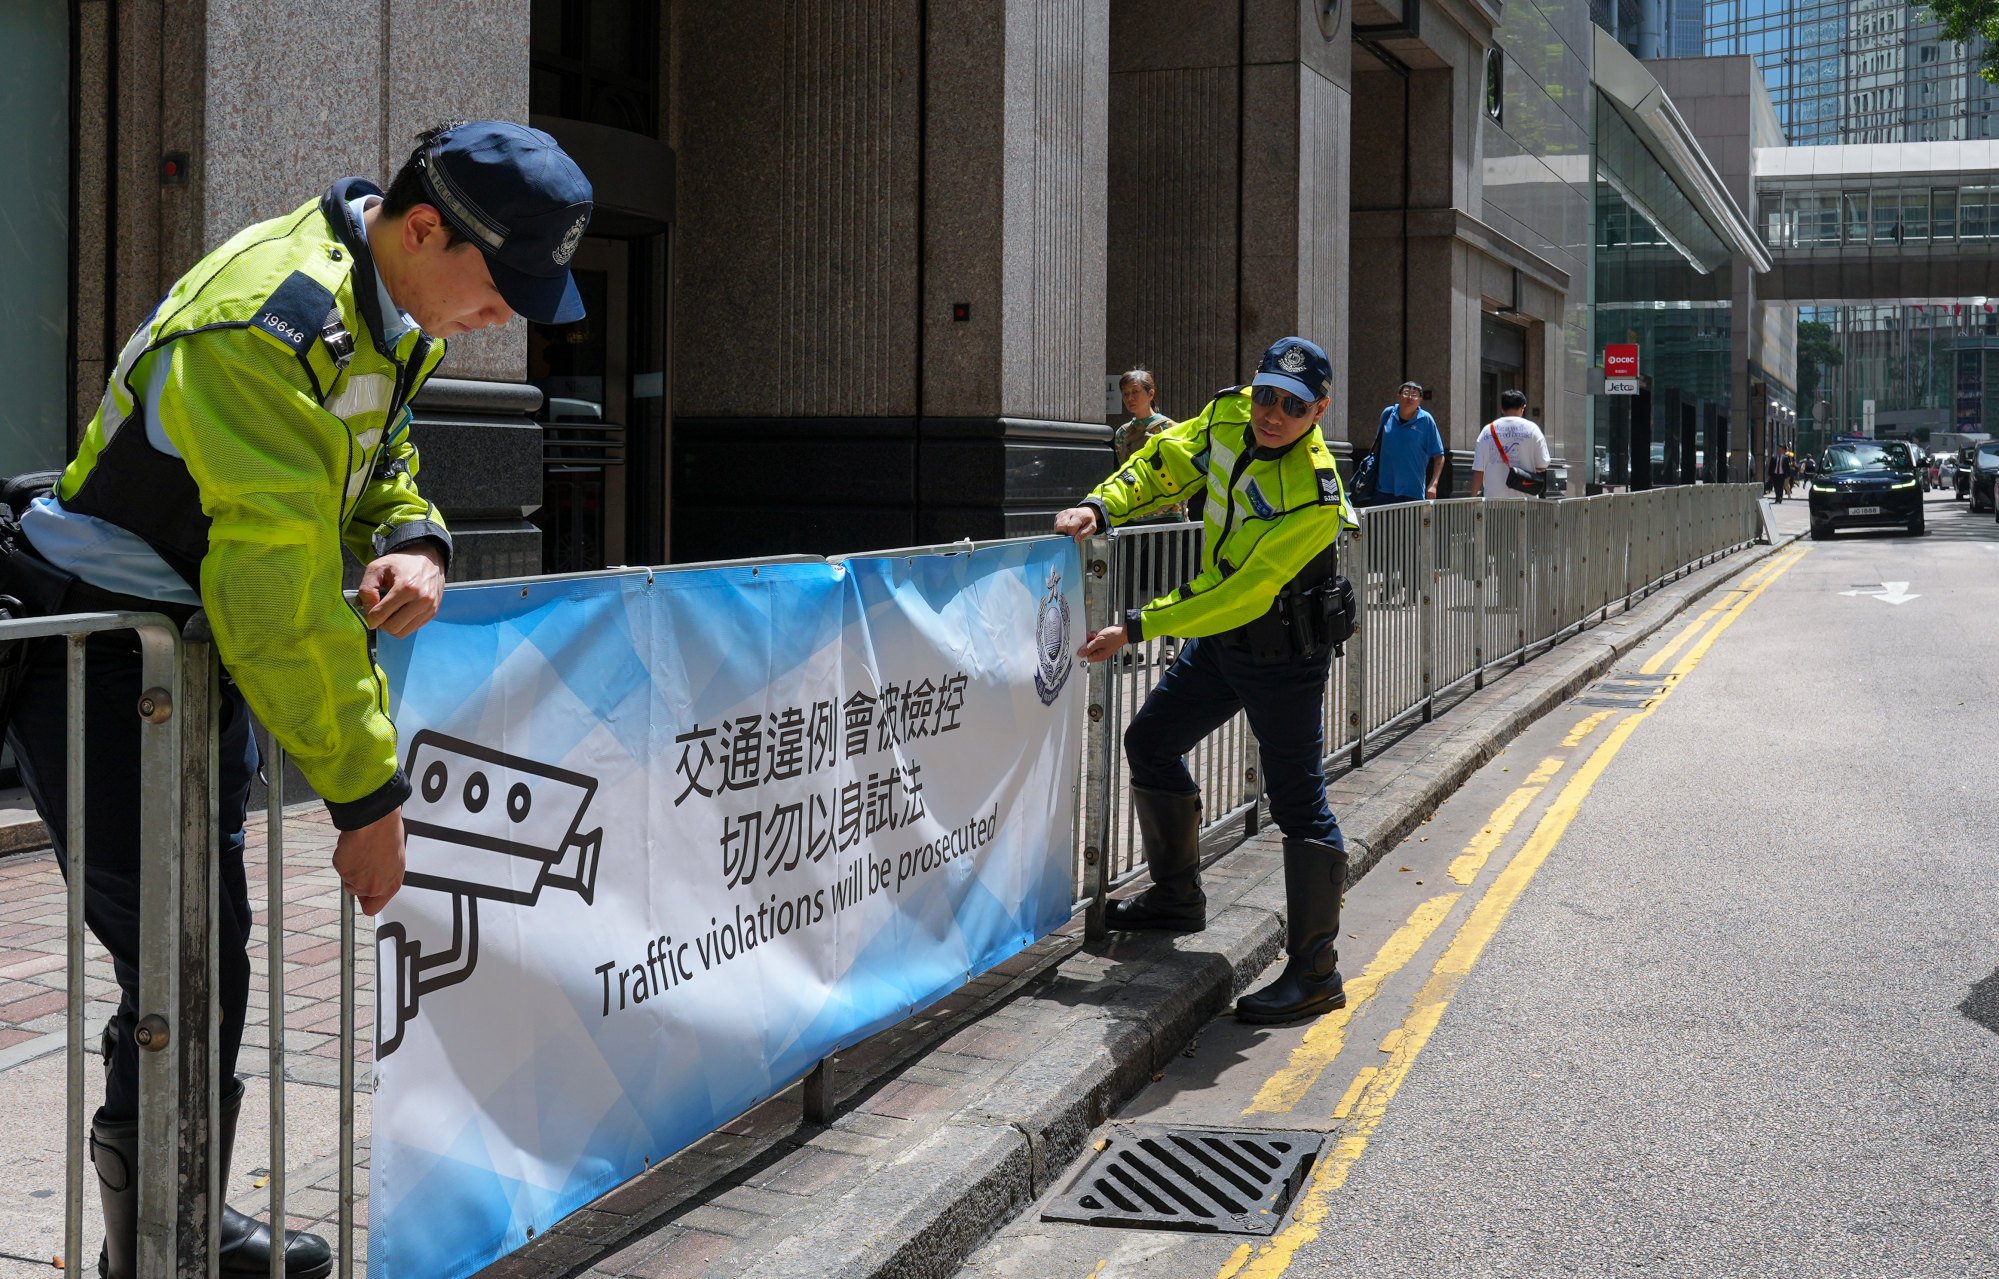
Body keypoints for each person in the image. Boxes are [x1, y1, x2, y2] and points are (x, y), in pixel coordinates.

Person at [0, 121, 592, 1279]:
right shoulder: (265, 326)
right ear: (424, 228)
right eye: (502, 286)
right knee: (183, 957)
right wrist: (365, 794)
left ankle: (177, 1219)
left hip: (181, 659)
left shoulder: (383, 311)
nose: (506, 317)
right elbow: (272, 596)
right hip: (106, 662)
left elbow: (379, 461)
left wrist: (414, 537)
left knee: (202, 950)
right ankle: (158, 1248)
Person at [1054, 336, 1359, 1024]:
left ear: (1319, 411)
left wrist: (1135, 627)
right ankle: (1176, 897)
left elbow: (1242, 590)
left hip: (1283, 655)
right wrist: (1100, 507)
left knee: (1297, 803)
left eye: (1291, 404)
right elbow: (1164, 464)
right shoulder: (1228, 417)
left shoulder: (1314, 494)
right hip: (1222, 641)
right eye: (1263, 396)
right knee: (1150, 740)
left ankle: (1316, 971)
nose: (1270, 414)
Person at [1365, 381, 1446, 506]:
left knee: (1409, 526)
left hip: (1412, 491)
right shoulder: (1387, 414)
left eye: (1414, 395)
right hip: (1383, 489)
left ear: (1420, 400)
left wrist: (1433, 485)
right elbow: (1377, 444)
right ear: (1398, 396)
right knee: (1381, 525)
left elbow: (1439, 456)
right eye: (1406, 393)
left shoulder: (1426, 420)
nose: (1409, 397)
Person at [1470, 390, 1551, 498]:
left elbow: (1478, 471)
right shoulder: (1533, 430)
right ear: (1523, 408)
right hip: (1525, 502)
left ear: (1502, 408)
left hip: (1494, 503)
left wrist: (1472, 499)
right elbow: (1542, 465)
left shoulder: (1487, 431)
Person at [1112, 368, 1175, 464]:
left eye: (1135, 391)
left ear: (1151, 394)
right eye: (1125, 393)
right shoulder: (1122, 433)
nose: (1129, 398)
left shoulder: (1169, 428)